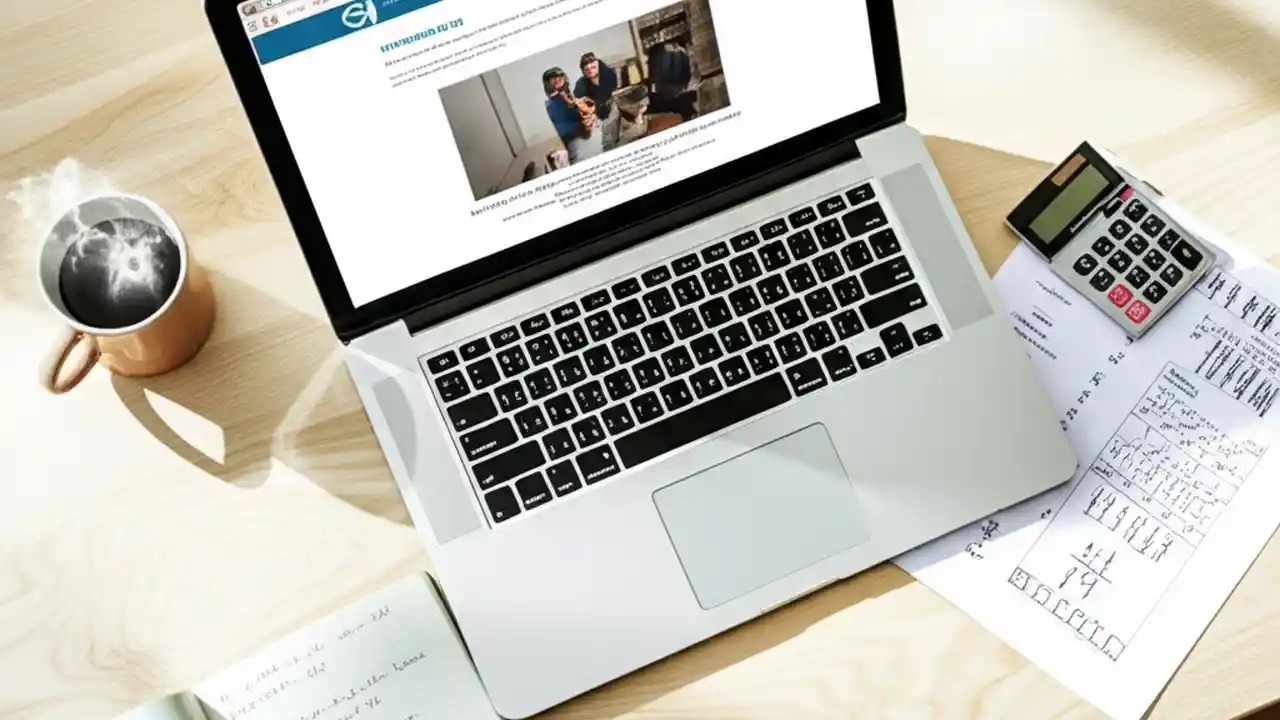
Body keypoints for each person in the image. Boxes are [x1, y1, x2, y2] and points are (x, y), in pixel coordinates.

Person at [542, 66, 601, 166]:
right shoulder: (552, 104)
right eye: (553, 78)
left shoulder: (572, 97)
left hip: (593, 143)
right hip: (579, 148)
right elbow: (563, 129)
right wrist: (583, 125)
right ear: (548, 83)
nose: (558, 79)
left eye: (560, 76)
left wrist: (592, 116)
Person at [573, 52, 621, 151]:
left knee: (615, 138)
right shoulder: (581, 85)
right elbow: (580, 102)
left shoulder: (608, 75)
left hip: (612, 108)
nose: (590, 70)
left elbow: (612, 88)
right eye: (587, 69)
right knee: (606, 144)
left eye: (593, 67)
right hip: (596, 117)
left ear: (598, 65)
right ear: (583, 71)